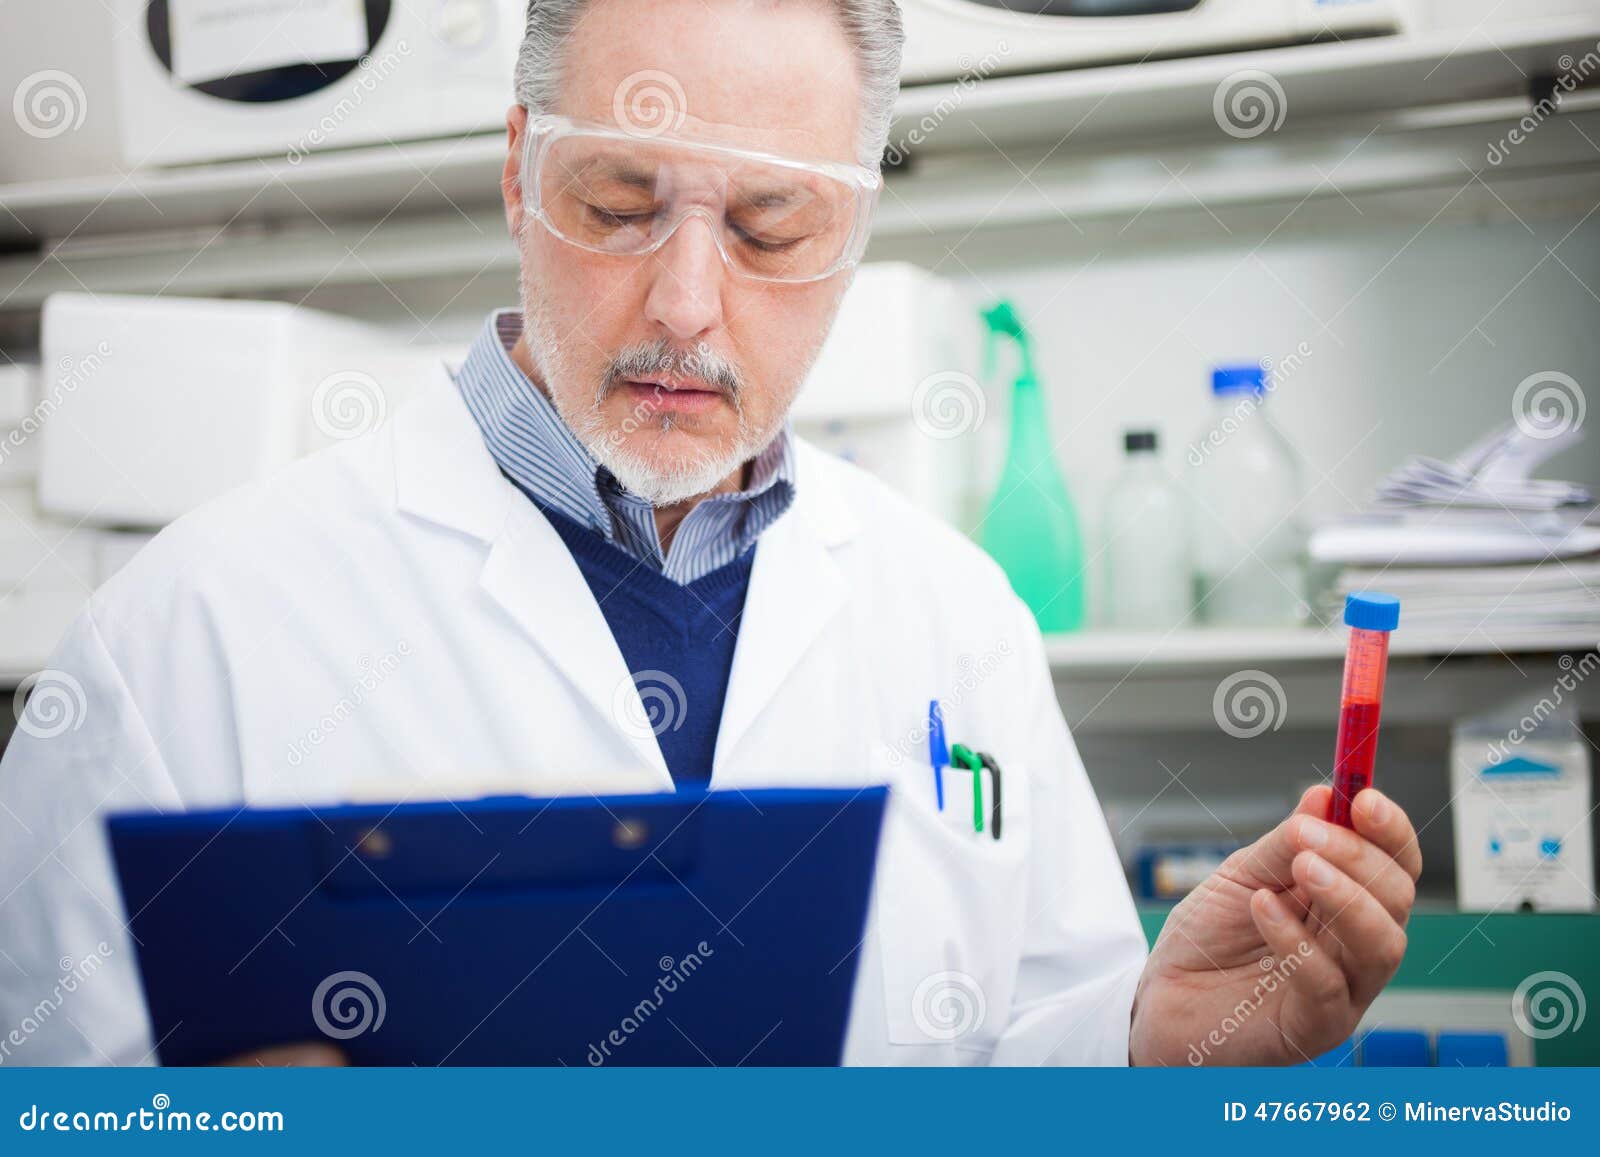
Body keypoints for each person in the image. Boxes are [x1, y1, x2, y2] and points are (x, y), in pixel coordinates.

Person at [0, 0, 1418, 1066]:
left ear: (853, 226)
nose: (684, 300)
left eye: (768, 225)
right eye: (619, 204)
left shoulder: (956, 616)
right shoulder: (181, 633)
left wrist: (1148, 1037)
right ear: (517, 173)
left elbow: (1008, 1052)